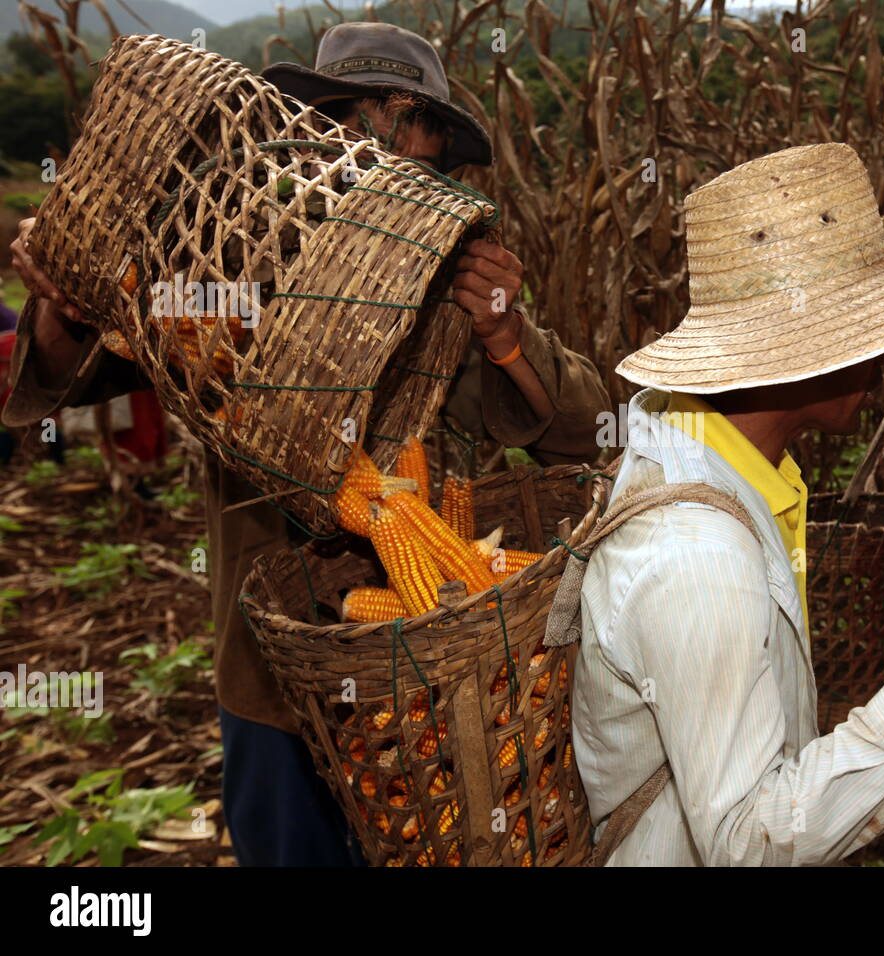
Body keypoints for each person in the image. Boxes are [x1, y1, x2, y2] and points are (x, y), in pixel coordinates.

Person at [4, 21, 610, 866]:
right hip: (273, 689)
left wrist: (506, 334)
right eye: (355, 123)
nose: (384, 150)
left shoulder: (448, 291)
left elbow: (583, 434)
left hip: (432, 681)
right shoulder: (223, 266)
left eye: (410, 135)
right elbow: (62, 381)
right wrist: (64, 302)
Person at [565, 143, 884, 866]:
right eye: (872, 333)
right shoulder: (696, 559)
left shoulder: (736, 469)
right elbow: (747, 842)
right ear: (801, 354)